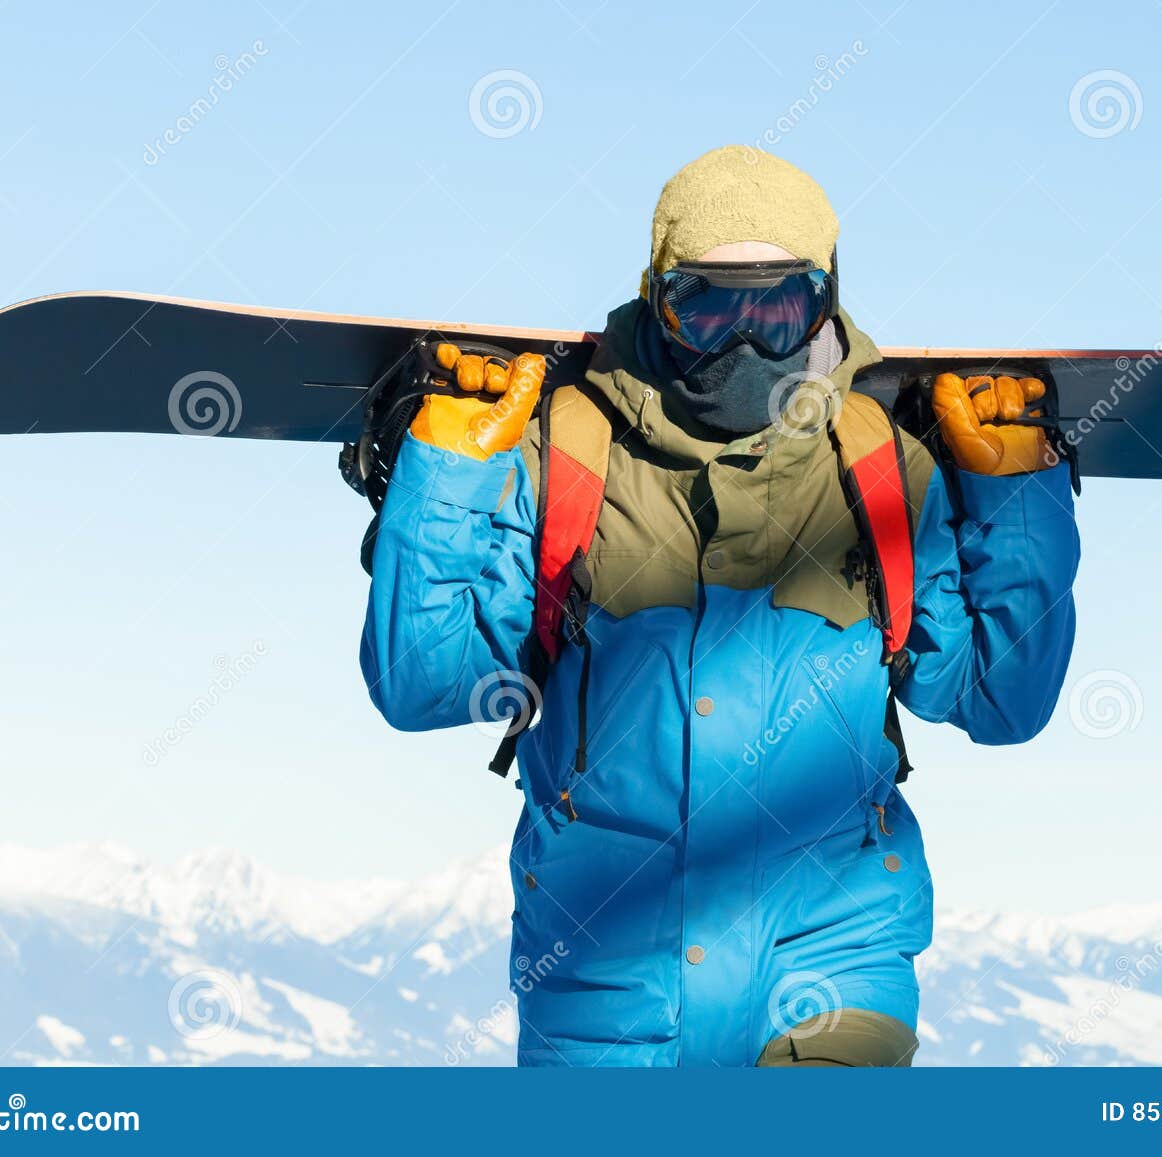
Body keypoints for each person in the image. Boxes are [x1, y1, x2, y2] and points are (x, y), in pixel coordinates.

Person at [361, 145, 1079, 1067]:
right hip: (604, 981)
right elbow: (427, 685)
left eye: (777, 310)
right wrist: (450, 476)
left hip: (831, 966)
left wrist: (1015, 499)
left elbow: (999, 699)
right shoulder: (570, 452)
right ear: (659, 300)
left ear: (824, 306)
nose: (743, 344)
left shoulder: (874, 466)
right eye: (707, 307)